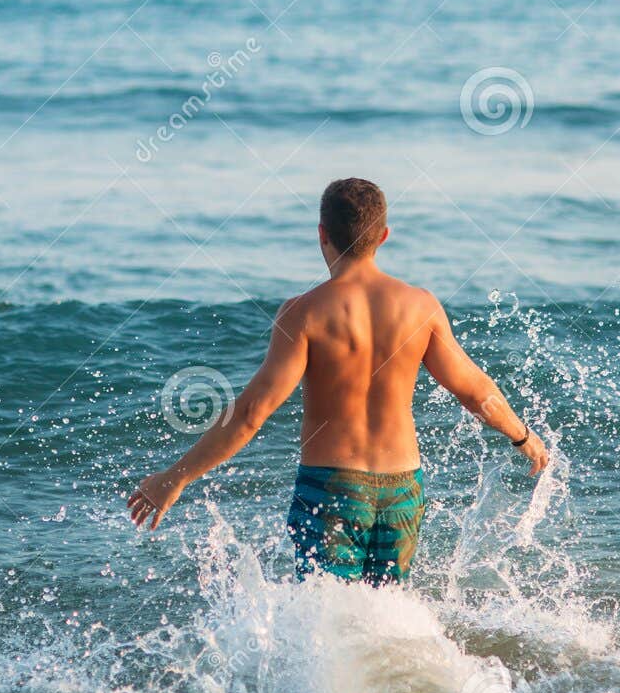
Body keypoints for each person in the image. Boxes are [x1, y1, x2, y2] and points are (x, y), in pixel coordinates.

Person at [127, 177, 550, 585]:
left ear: (321, 234)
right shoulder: (421, 307)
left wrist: (176, 477)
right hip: (402, 488)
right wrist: (522, 436)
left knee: (331, 627)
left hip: (332, 489)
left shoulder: (304, 313)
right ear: (383, 236)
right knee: (384, 621)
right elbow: (475, 391)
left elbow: (253, 413)